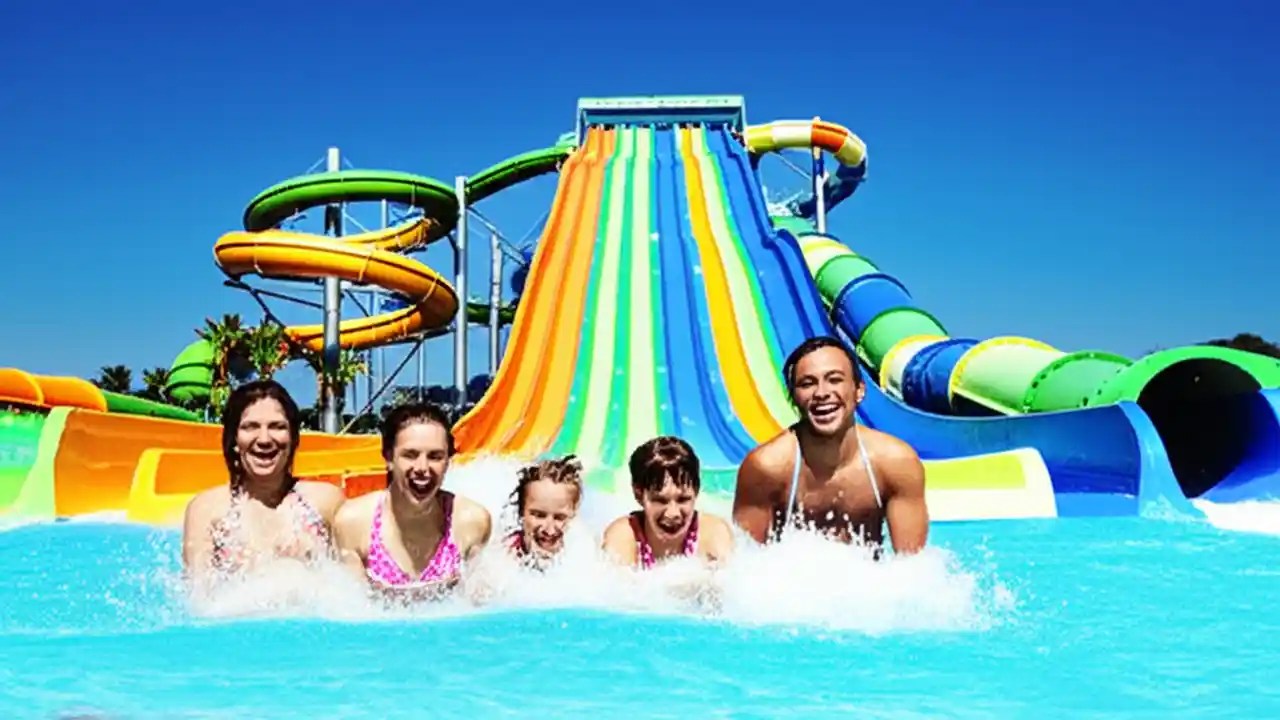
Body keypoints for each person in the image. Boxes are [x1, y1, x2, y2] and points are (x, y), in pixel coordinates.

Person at [732, 335, 929, 555]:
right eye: (807, 383)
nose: (822, 393)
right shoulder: (767, 468)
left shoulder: (896, 463)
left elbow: (912, 568)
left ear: (859, 391)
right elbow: (746, 567)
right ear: (793, 398)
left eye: (834, 379)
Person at [181, 380, 345, 580]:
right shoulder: (207, 510)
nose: (265, 439)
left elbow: (354, 590)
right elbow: (200, 599)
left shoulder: (325, 502)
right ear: (234, 440)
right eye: (250, 427)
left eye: (277, 427)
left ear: (292, 438)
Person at [333, 401, 491, 601]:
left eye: (435, 456)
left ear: (447, 461)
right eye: (410, 455)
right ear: (389, 458)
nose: (422, 467)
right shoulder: (354, 523)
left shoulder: (470, 521)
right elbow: (352, 611)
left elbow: (480, 607)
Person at [602, 436, 734, 569]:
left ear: (696, 491)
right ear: (639, 495)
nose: (673, 513)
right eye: (660, 500)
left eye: (683, 499)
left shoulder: (713, 534)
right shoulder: (623, 537)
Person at [504, 454, 584, 567]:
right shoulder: (506, 553)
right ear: (521, 512)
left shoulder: (581, 553)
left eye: (559, 518)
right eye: (539, 515)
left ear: (573, 515)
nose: (549, 530)